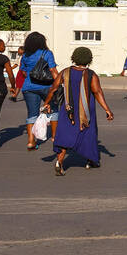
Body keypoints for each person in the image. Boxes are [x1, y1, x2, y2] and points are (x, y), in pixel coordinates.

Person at [42, 46, 114, 175]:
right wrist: (107, 110)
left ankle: (59, 162)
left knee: (65, 135)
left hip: (68, 109)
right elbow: (97, 92)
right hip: (86, 111)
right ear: (89, 59)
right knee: (88, 134)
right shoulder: (91, 75)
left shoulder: (65, 72)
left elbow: (53, 89)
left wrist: (46, 103)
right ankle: (90, 160)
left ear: (74, 58)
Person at [19, 32, 59, 150]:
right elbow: (52, 70)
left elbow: (24, 72)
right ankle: (55, 137)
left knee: (32, 113)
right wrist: (60, 83)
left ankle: (31, 141)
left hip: (29, 87)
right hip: (47, 86)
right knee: (53, 109)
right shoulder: (47, 53)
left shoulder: (25, 55)